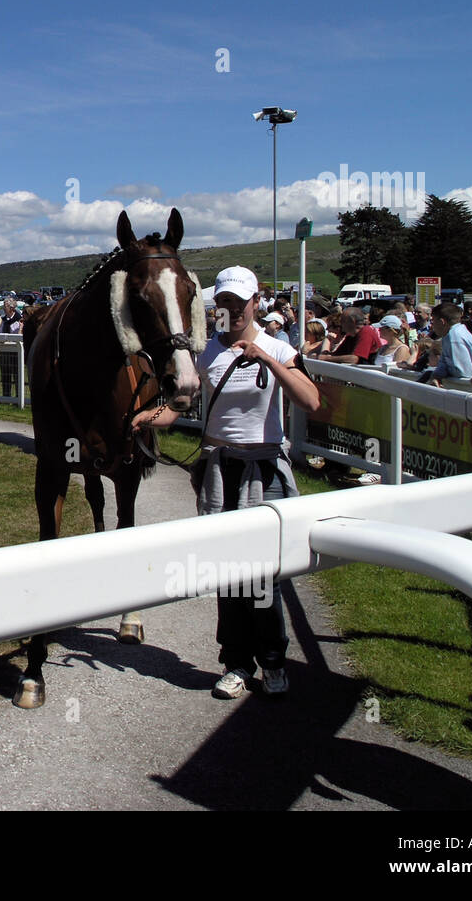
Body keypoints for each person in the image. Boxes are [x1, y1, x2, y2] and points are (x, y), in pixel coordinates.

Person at [141, 266, 320, 699]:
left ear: (256, 301)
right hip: (222, 469)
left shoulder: (280, 348)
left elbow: (311, 401)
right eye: (224, 303)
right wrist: (143, 422)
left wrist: (268, 362)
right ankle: (237, 662)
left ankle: (273, 660)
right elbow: (180, 405)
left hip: (265, 470)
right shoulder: (205, 355)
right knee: (226, 571)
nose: (232, 311)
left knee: (264, 573)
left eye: (239, 303)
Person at [429, 301, 472, 386]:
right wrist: (436, 376)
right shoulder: (450, 334)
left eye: (433, 321)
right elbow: (444, 362)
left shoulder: (455, 337)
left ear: (442, 322)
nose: (431, 325)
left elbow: (463, 372)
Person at [0, 297, 22, 397]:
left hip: (16, 353)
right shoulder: (4, 320)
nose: (3, 308)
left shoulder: (19, 320)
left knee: (17, 375)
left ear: (12, 308)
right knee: (5, 376)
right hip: (4, 352)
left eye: (5, 306)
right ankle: (6, 397)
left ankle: (19, 398)